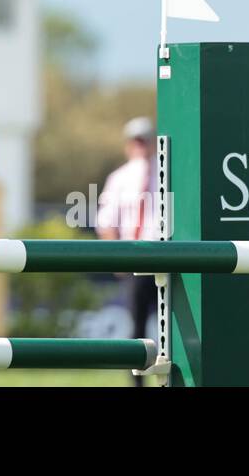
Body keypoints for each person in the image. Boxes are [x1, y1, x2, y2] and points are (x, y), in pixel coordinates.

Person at [96, 115, 158, 387]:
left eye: (145, 140)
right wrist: (117, 256)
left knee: (176, 326)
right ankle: (137, 384)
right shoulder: (120, 178)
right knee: (137, 327)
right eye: (136, 140)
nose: (141, 146)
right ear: (128, 145)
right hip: (136, 256)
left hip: (167, 255)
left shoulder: (169, 173)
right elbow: (107, 222)